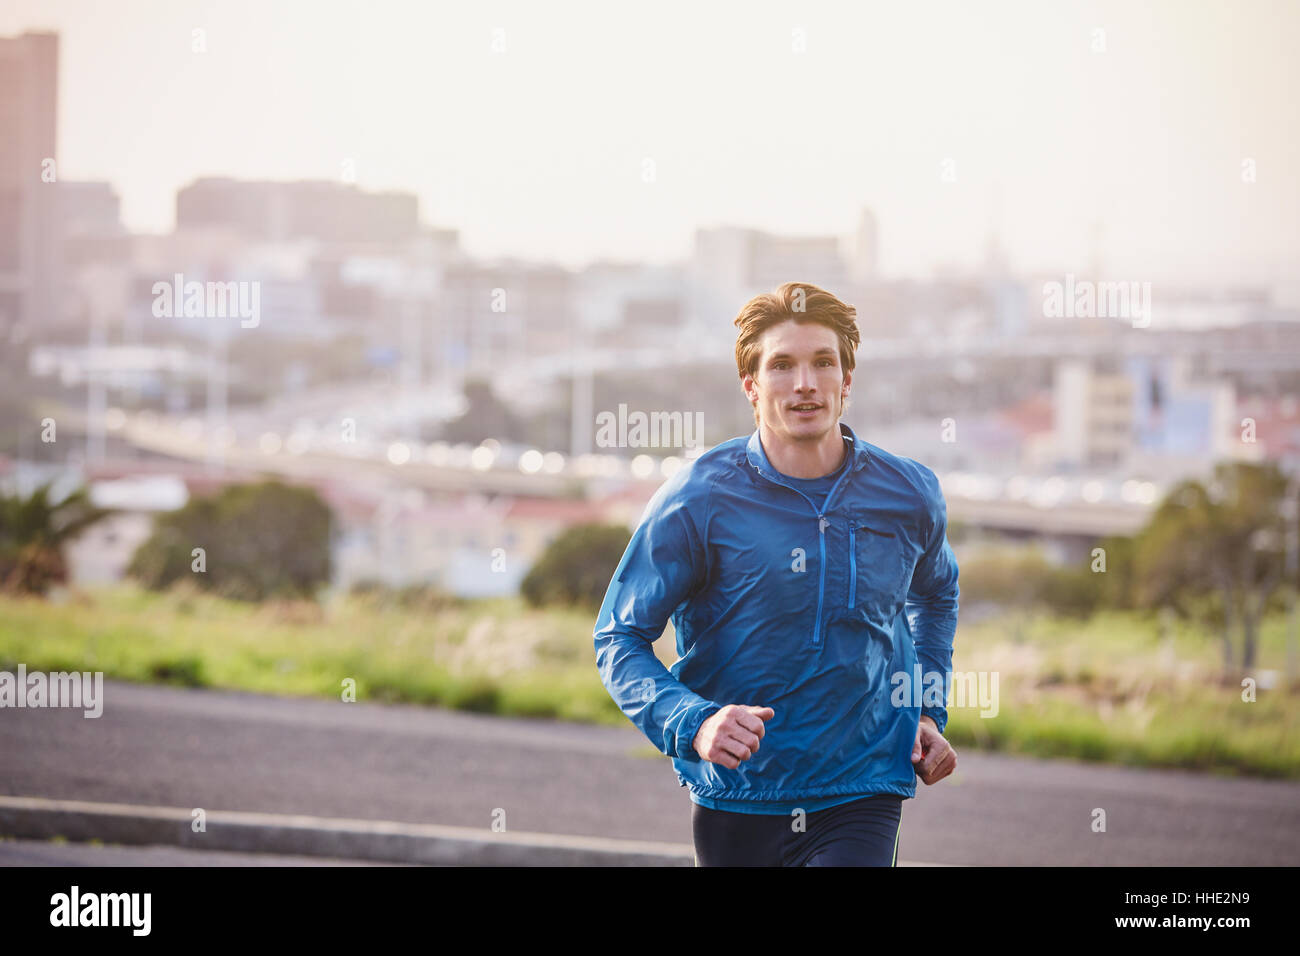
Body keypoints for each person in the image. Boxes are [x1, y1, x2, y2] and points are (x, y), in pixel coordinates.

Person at [593, 281, 960, 866]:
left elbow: (936, 596)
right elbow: (619, 637)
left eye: (823, 363)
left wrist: (925, 707)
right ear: (751, 386)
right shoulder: (698, 499)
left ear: (847, 382)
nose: (806, 383)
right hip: (737, 795)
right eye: (782, 366)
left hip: (860, 788)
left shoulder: (908, 494)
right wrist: (693, 722)